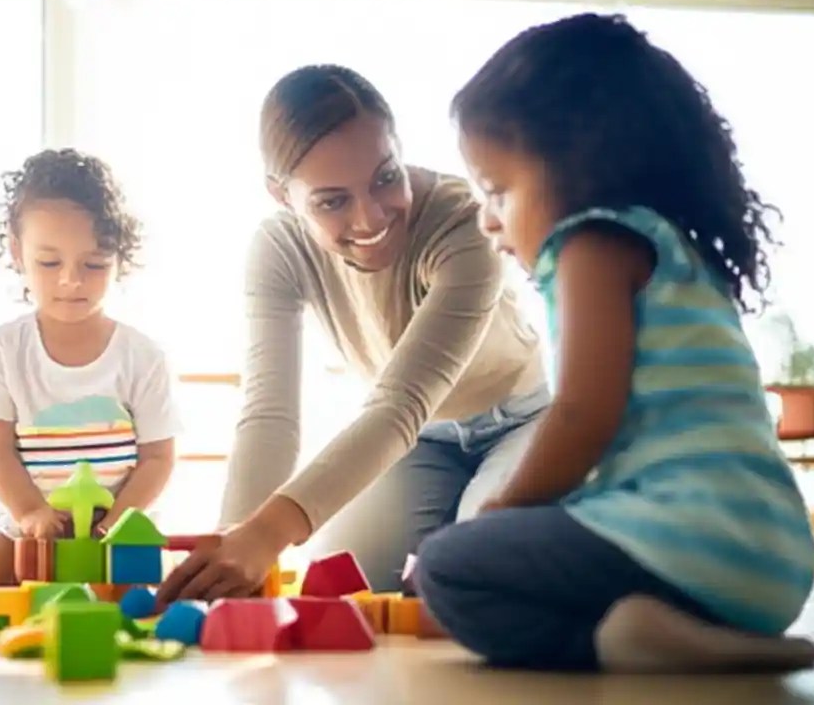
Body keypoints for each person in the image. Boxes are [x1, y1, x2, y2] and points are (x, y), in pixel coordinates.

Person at [412, 12, 814, 673]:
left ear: (579, 162)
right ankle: (691, 638)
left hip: (685, 541)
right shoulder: (675, 249)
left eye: (498, 190)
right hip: (769, 563)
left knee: (448, 565)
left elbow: (581, 417)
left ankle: (617, 644)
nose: (489, 221)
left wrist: (497, 512)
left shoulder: (591, 245)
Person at [158, 64, 549, 602]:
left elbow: (399, 403)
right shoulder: (278, 250)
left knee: (478, 563)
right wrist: (232, 545)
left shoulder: (465, 225)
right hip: (417, 444)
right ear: (282, 196)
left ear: (398, 147)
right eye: (332, 200)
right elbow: (270, 414)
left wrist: (268, 534)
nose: (369, 218)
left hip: (519, 423)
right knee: (333, 589)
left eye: (385, 177)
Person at [0, 149, 180, 617]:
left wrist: (119, 521)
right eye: (50, 263)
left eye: (94, 264)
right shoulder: (3, 349)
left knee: (143, 604)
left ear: (118, 256)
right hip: (28, 519)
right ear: (18, 253)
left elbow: (158, 456)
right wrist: (30, 512)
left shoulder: (141, 356)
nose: (72, 281)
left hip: (118, 524)